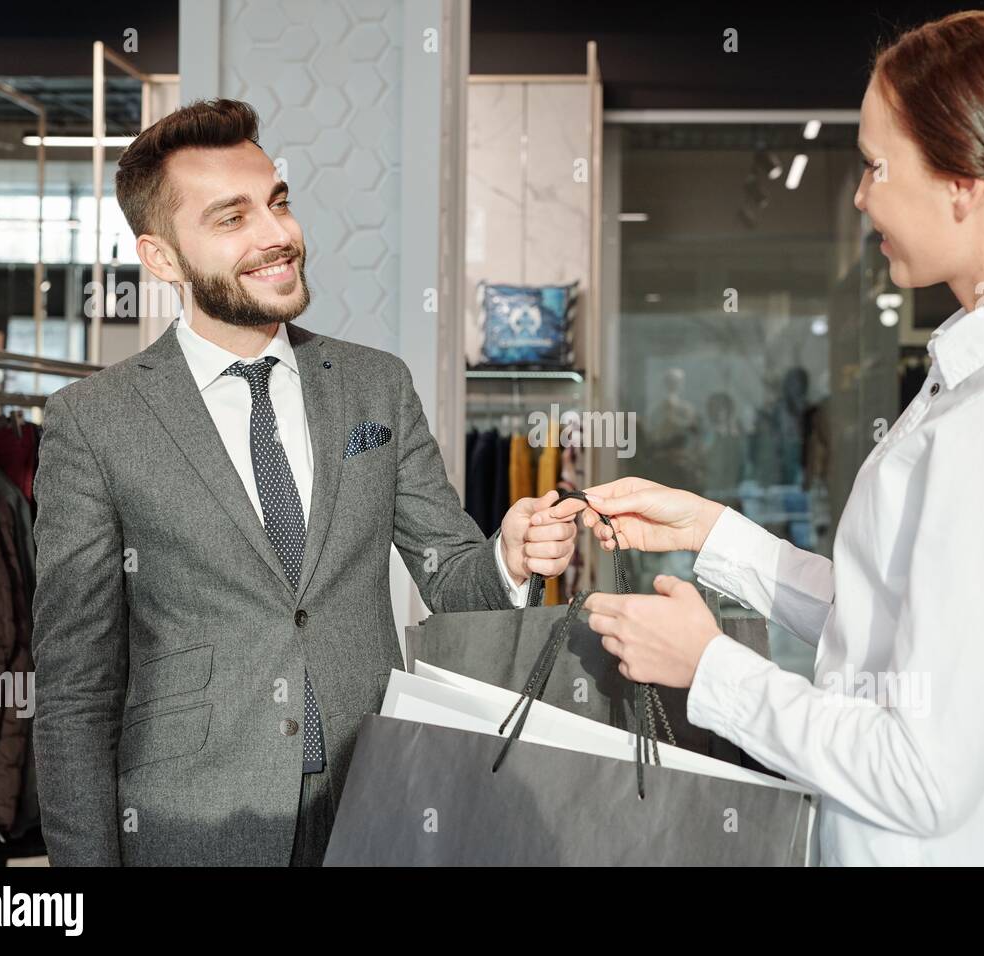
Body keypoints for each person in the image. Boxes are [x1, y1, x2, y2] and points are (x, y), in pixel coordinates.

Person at [549, 11, 984, 865]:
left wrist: (710, 669)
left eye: (877, 166)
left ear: (966, 182)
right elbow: (893, 621)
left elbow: (922, 775)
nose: (861, 194)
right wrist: (711, 533)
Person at [32, 99, 577, 866]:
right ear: (161, 258)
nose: (278, 235)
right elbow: (75, 692)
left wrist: (508, 558)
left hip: (376, 799)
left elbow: (451, 573)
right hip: (193, 824)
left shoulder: (373, 385)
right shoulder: (94, 421)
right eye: (232, 218)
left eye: (277, 203)